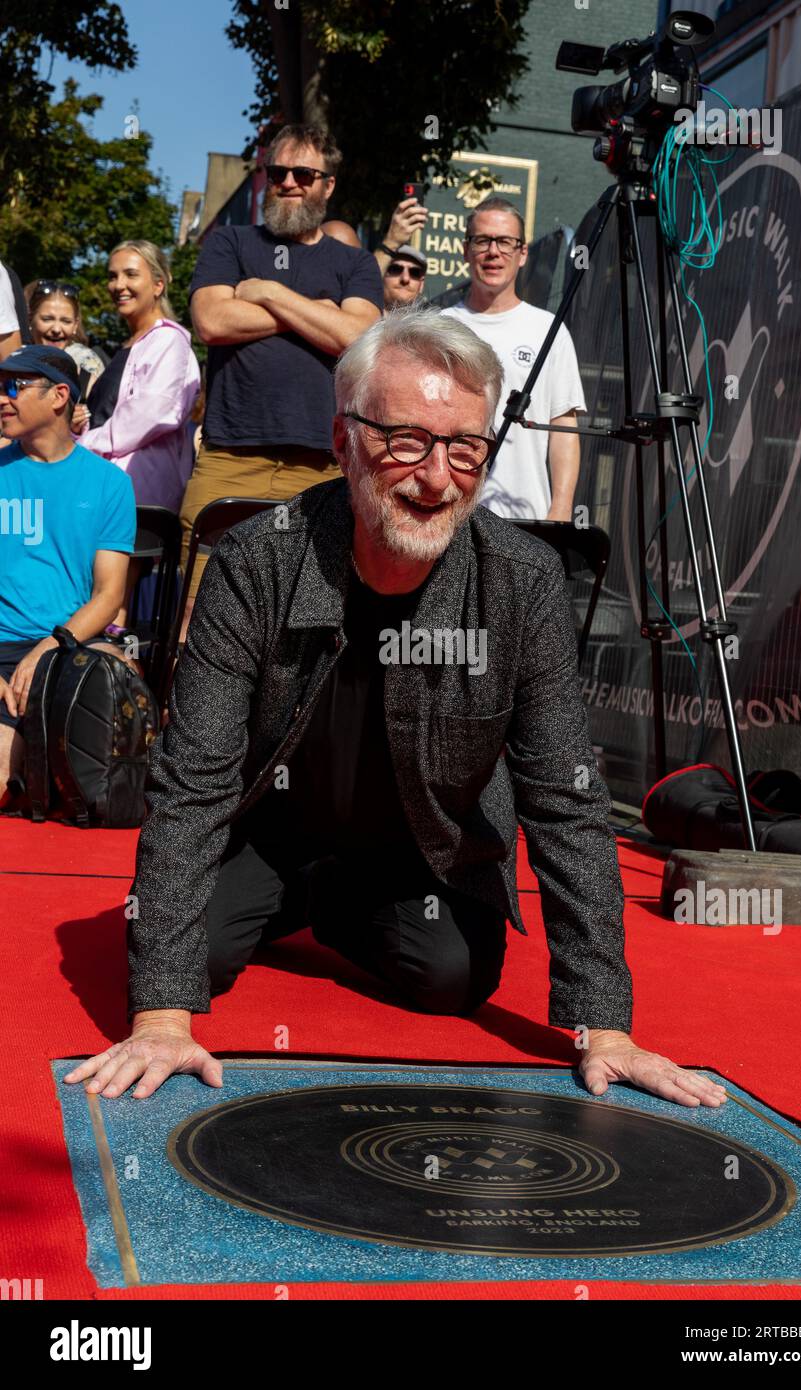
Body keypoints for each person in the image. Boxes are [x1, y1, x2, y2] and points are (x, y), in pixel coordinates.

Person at [64, 312, 726, 1114]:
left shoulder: (522, 582)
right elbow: (191, 781)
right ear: (343, 440)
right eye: (406, 440)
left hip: (424, 846)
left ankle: (335, 901)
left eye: (464, 449)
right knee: (180, 959)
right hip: (267, 829)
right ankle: (292, 891)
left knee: (454, 977)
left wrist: (603, 1027)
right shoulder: (254, 562)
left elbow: (566, 800)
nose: (436, 477)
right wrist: (162, 1018)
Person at [182, 122, 383, 634]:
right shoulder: (230, 241)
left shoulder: (354, 262)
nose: (289, 182)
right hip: (230, 459)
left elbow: (360, 339)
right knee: (199, 616)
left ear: (328, 185)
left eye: (304, 174)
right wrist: (320, 315)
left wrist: (268, 293)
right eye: (277, 173)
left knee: (308, 623)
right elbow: (212, 321)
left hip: (322, 468)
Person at [0, 345, 137, 805]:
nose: (2, 397)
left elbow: (108, 595)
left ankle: (47, 771)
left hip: (68, 647)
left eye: (15, 385)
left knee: (121, 673)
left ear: (60, 396)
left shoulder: (109, 483)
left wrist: (48, 647)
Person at [443, 196, 585, 522]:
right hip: (449, 518)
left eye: (505, 242)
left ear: (523, 254)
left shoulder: (549, 330)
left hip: (527, 520)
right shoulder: (440, 328)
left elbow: (563, 428)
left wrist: (560, 512)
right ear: (466, 250)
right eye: (483, 241)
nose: (494, 252)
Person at [75, 241, 200, 515]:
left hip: (136, 494)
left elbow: (149, 414)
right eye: (112, 276)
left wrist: (80, 447)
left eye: (131, 274)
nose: (119, 285)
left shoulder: (168, 340)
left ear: (158, 285)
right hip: (102, 486)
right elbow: (107, 415)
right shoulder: (128, 345)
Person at [26, 280, 106, 399]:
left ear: (75, 325)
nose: (57, 329)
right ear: (30, 319)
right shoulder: (11, 356)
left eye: (66, 321)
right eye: (47, 319)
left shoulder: (87, 367)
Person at [381, 244, 427, 311]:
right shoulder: (363, 318)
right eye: (395, 269)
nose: (405, 279)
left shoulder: (434, 321)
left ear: (421, 284)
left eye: (414, 272)